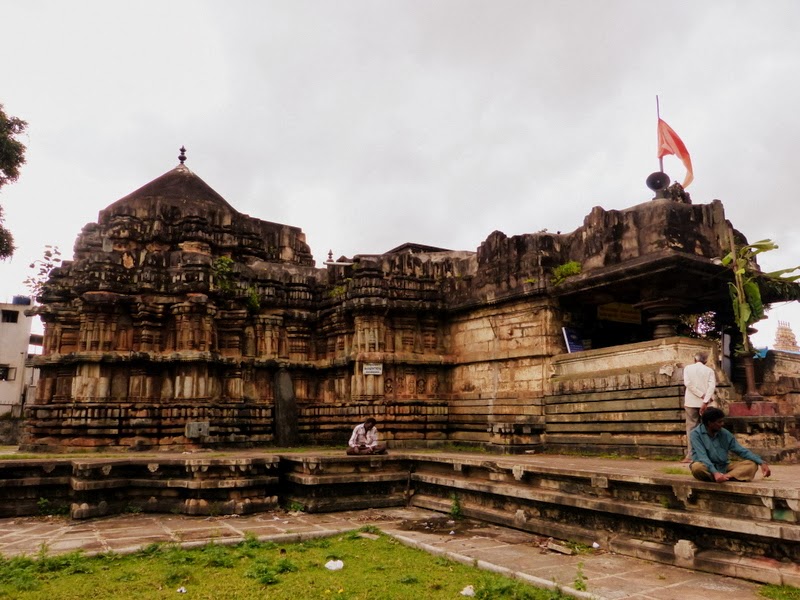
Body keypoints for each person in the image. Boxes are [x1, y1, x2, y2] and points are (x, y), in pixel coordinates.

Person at [689, 407, 771, 482]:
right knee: (697, 467)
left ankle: (725, 477)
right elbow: (703, 457)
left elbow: (741, 451)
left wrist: (761, 462)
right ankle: (717, 476)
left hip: (724, 467)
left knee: (752, 464)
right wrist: (715, 472)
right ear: (710, 423)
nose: (722, 424)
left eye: (722, 421)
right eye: (719, 422)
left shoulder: (725, 433)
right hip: (706, 468)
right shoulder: (696, 434)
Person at [682, 352, 716, 462]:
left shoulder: (688, 368)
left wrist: (700, 394)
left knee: (691, 429)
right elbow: (712, 386)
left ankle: (691, 455)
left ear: (694, 359)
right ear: (705, 361)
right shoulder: (709, 371)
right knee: (707, 428)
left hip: (691, 402)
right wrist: (705, 400)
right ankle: (708, 455)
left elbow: (688, 384)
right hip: (706, 403)